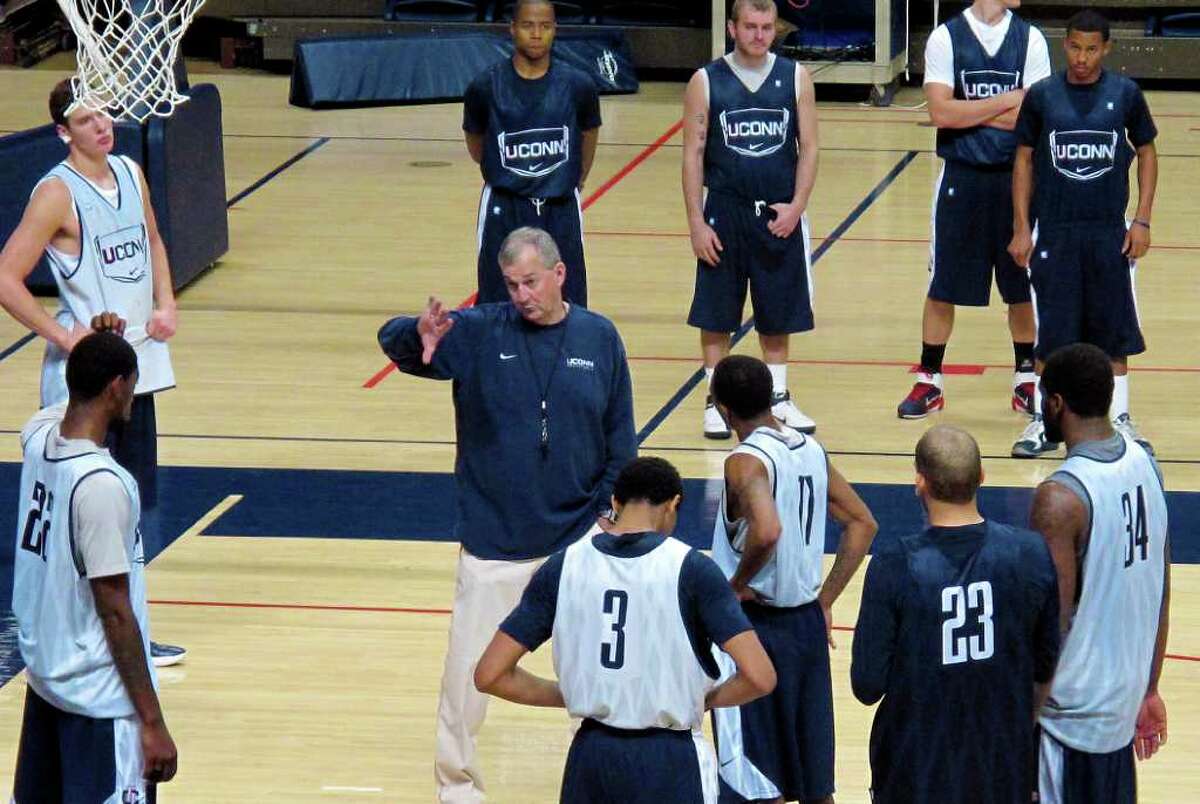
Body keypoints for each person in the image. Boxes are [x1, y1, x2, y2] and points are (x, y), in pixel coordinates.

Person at [377, 226, 636, 803]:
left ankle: (606, 782)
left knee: (598, 673)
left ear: (560, 274)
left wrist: (608, 513)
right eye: (512, 284)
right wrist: (414, 333)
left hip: (578, 541)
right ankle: (457, 788)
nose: (522, 295)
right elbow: (395, 342)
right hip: (493, 542)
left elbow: (621, 435)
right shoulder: (476, 331)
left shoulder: (599, 337)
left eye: (531, 282)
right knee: (466, 678)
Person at [0, 78, 186, 667]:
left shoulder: (131, 171)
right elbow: (6, 277)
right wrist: (65, 336)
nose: (102, 125)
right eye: (86, 120)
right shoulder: (56, 193)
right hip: (82, 383)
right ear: (63, 132)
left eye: (104, 114)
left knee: (132, 506)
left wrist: (166, 302)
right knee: (80, 509)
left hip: (135, 371)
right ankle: (65, 626)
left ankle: (131, 633)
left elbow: (152, 238)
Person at [475, 456, 777, 804]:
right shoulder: (694, 569)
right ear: (673, 504)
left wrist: (571, 694)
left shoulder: (563, 565)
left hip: (591, 758)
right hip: (669, 759)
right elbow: (760, 677)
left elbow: (490, 674)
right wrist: (706, 700)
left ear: (615, 502)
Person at [850, 425, 1060, 803]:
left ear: (920, 482)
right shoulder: (1031, 553)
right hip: (1002, 766)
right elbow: (1046, 667)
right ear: (982, 477)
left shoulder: (893, 564)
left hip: (915, 770)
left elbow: (867, 685)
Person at [11, 329, 178, 803]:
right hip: (100, 702)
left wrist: (96, 340)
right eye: (133, 384)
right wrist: (152, 720)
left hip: (47, 686)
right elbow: (115, 610)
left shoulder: (37, 437)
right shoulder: (102, 485)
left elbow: (66, 401)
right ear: (117, 387)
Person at [707, 355, 878, 803]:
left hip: (752, 629)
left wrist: (736, 584)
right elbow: (863, 523)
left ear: (723, 409)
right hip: (804, 626)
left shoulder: (745, 462)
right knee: (814, 782)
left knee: (755, 785)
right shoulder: (810, 449)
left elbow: (767, 530)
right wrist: (826, 600)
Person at [1008, 9, 1158, 458]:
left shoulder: (1125, 94)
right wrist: (1021, 227)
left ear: (1106, 48)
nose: (1082, 57)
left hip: (1108, 233)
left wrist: (1142, 219)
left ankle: (1120, 420)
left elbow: (1147, 152)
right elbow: (1023, 160)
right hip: (1054, 232)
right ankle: (1043, 422)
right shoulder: (1042, 95)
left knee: (1113, 332)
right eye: (1075, 46)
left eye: (1092, 49)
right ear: (1065, 44)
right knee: (1053, 336)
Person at [1029, 342, 1169, 802]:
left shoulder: (1060, 499)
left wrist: (1019, 726)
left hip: (1068, 723)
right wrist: (1149, 688)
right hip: (1120, 711)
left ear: (1056, 403)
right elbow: (1161, 586)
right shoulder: (1146, 464)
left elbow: (1051, 627)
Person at [897, 0, 1050, 419]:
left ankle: (1025, 378)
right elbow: (940, 112)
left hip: (1019, 176)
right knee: (942, 285)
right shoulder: (946, 37)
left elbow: (1035, 116)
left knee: (1022, 283)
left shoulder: (1031, 39)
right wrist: (1008, 100)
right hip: (961, 177)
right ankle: (929, 379)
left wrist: (967, 112)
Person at [682, 0, 820, 439]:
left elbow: (810, 147)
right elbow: (692, 155)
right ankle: (715, 401)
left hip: (776, 211)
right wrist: (696, 222)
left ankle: (777, 396)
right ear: (732, 28)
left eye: (766, 27)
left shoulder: (795, 77)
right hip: (724, 210)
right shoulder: (706, 80)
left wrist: (797, 205)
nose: (759, 35)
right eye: (750, 27)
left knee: (777, 310)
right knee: (716, 311)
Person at [463, 0, 600, 307]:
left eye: (545, 26)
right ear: (512, 28)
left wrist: (576, 178)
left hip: (560, 205)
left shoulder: (578, 85)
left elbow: (589, 133)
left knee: (569, 297)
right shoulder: (485, 86)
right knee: (497, 300)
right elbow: (476, 144)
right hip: (505, 204)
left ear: (555, 29)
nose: (536, 34)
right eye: (528, 25)